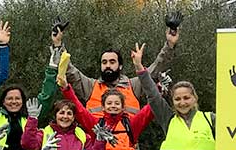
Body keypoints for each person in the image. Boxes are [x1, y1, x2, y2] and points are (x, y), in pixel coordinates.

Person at [50, 20, 178, 118]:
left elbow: (155, 70)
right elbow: (68, 69)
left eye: (112, 62)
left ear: (120, 66)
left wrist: (170, 45)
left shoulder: (133, 86)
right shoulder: (90, 86)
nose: (108, 66)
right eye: (104, 62)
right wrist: (57, 44)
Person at [59, 43, 160, 150]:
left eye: (112, 62)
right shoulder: (97, 125)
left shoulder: (130, 123)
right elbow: (79, 110)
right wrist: (65, 87)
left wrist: (159, 90)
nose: (113, 106)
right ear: (103, 107)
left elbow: (149, 110)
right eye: (104, 62)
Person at [148, 80, 216, 150]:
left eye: (186, 98)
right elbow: (153, 96)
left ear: (195, 98)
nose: (182, 103)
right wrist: (140, 69)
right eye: (177, 99)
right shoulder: (168, 120)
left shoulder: (210, 119)